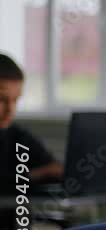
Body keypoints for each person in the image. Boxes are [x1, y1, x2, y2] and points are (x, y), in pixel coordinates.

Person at [0, 53, 63, 192]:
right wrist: (39, 174)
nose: (10, 110)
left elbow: (53, 168)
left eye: (16, 100)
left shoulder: (18, 137)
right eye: (2, 99)